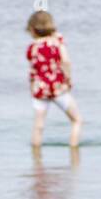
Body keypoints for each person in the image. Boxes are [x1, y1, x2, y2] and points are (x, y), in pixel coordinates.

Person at [25, 11, 82, 149]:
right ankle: (73, 151)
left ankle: (36, 158)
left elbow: (33, 70)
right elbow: (66, 62)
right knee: (76, 120)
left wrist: (32, 87)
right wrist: (68, 80)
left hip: (40, 89)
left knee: (38, 126)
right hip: (58, 88)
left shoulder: (32, 47)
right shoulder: (57, 43)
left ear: (32, 29)